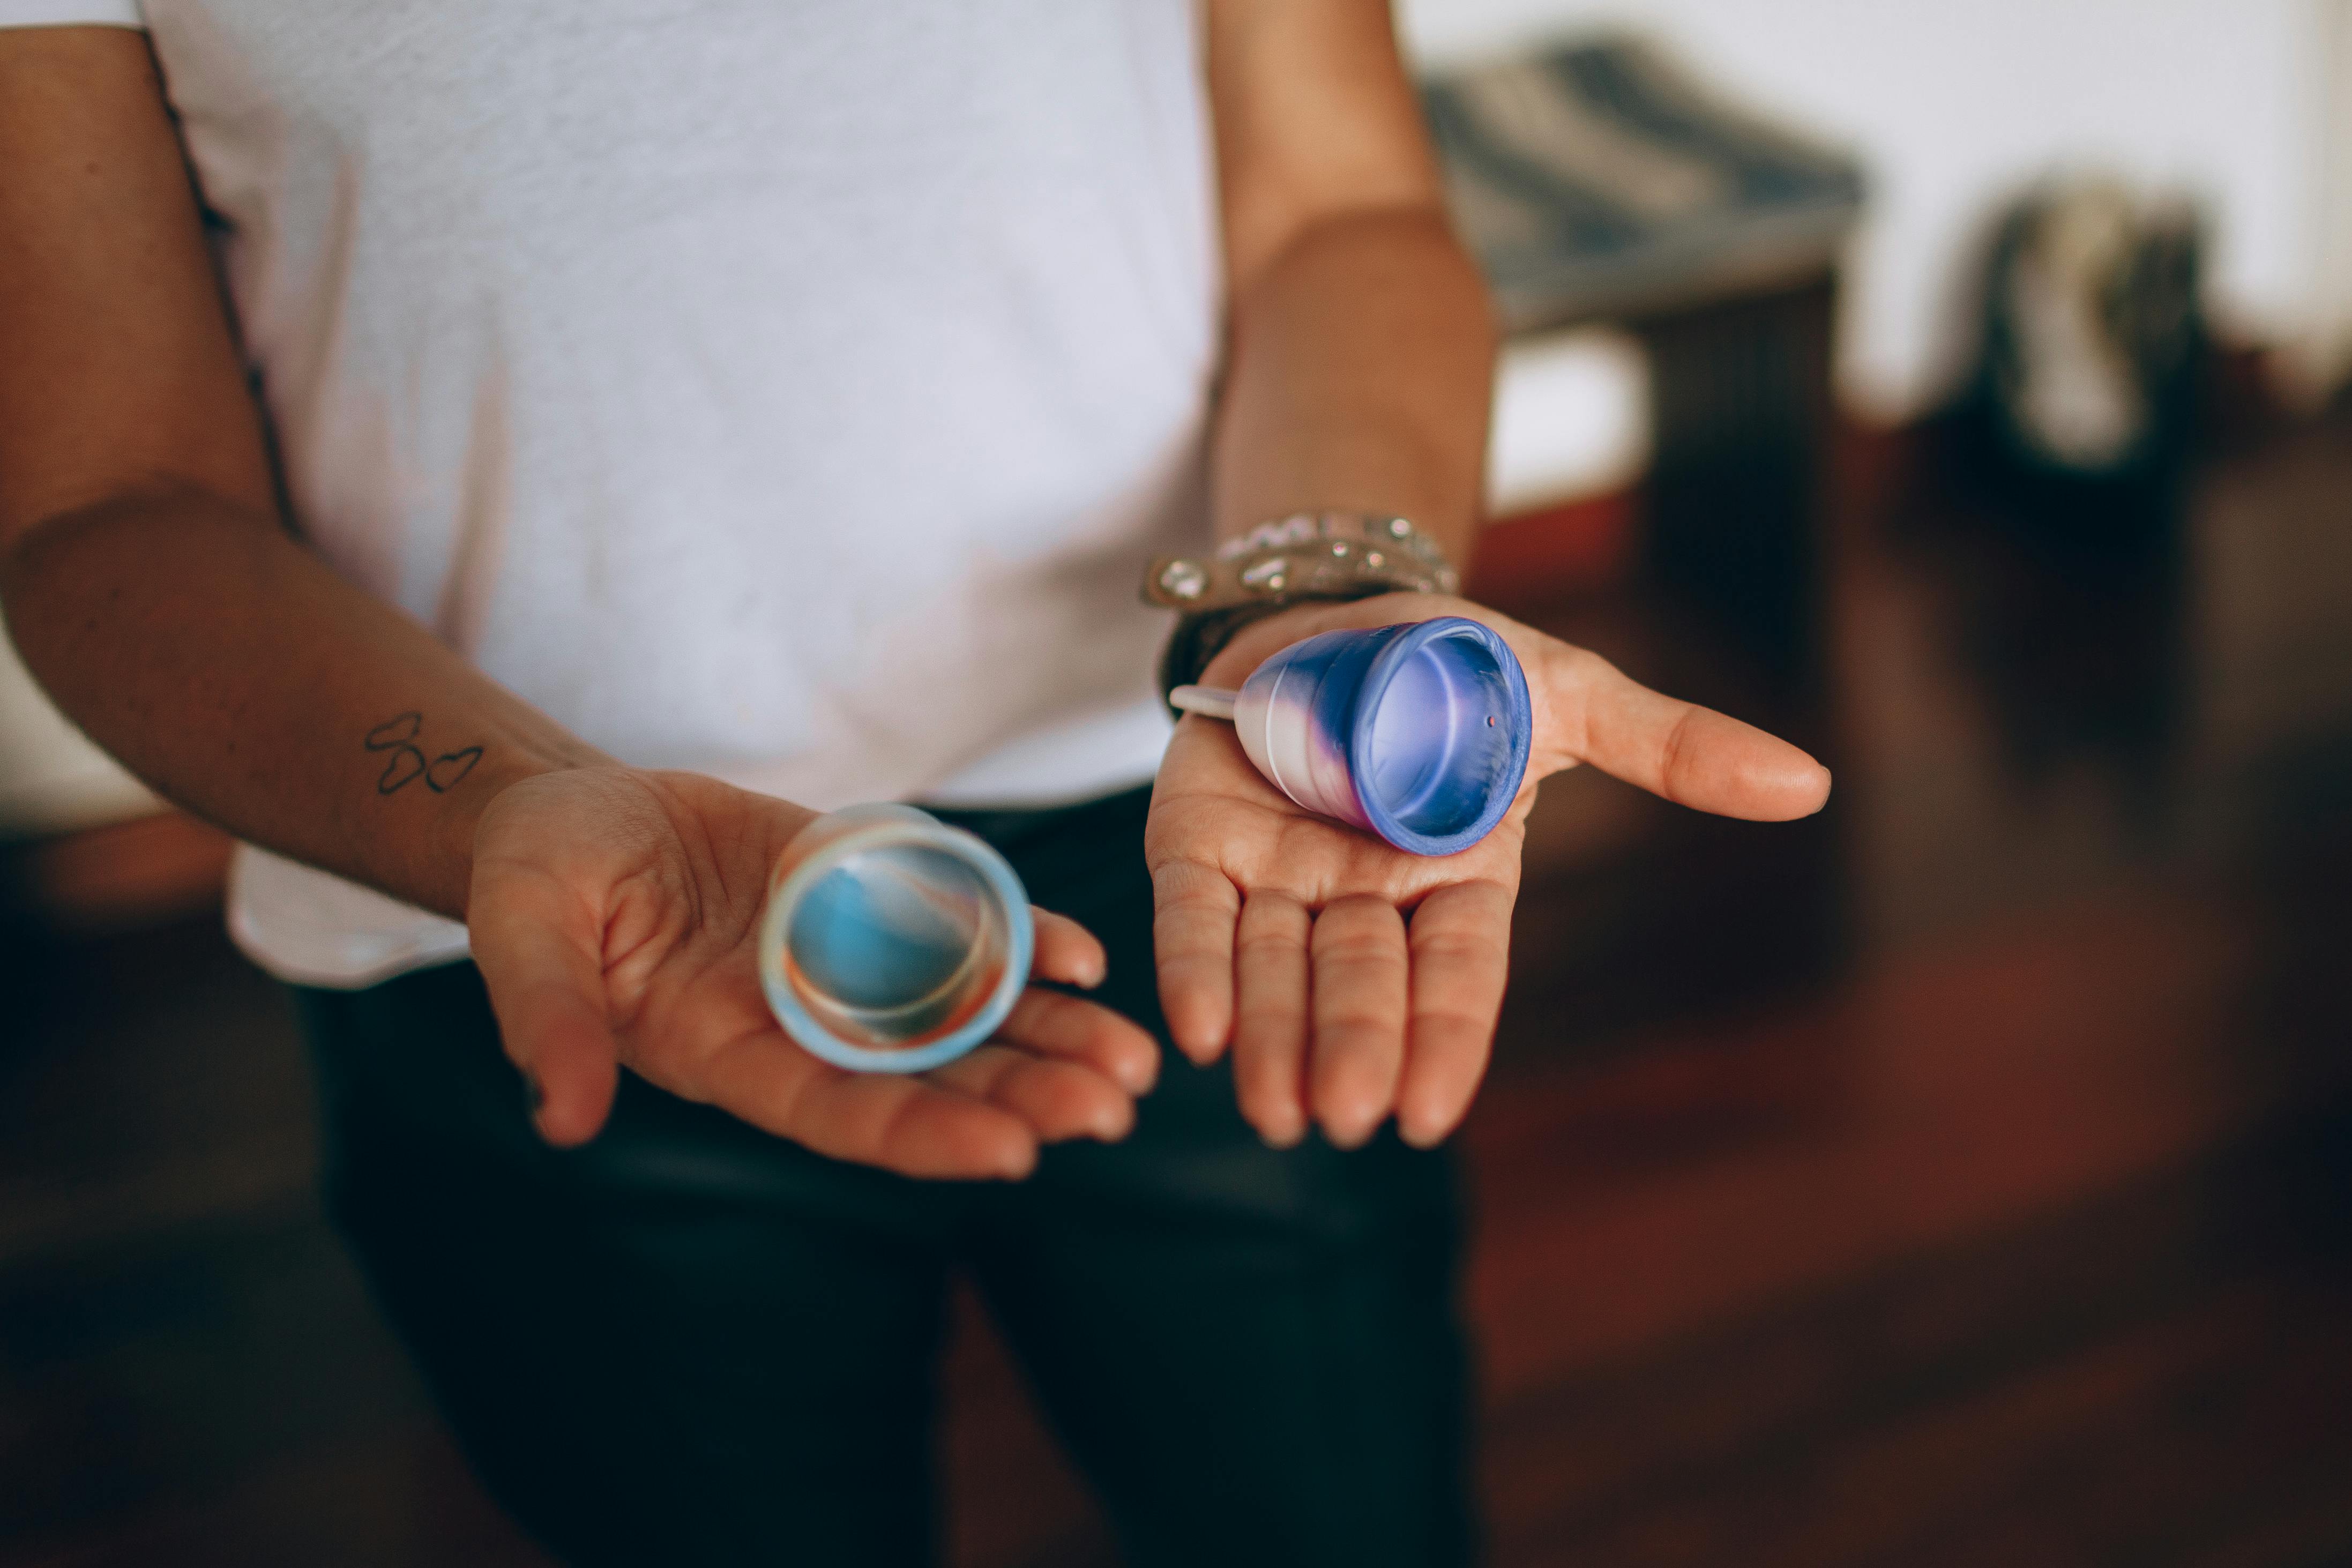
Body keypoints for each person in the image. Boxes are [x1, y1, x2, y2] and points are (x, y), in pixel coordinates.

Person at [0, 4, 1830, 1564]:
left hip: (1217, 840)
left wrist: (1321, 595)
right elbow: (105, 501)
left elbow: (1339, 211)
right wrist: (501, 818)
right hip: (547, 921)